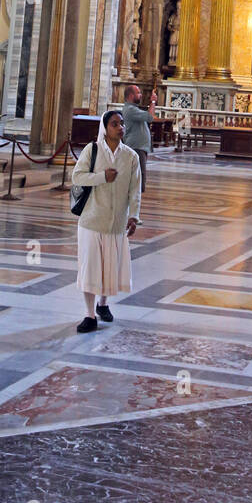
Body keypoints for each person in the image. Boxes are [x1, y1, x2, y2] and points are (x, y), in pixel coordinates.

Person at [71, 109, 141, 333]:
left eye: (122, 124)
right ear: (105, 128)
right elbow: (77, 177)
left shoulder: (131, 156)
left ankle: (103, 304)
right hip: (92, 220)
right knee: (91, 267)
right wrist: (102, 177)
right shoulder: (92, 150)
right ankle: (89, 314)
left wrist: (133, 216)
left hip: (116, 222)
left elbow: (135, 190)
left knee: (109, 267)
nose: (120, 128)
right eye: (115, 124)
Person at [122, 82, 155, 197]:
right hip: (136, 147)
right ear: (131, 96)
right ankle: (136, 200)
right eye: (138, 93)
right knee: (139, 174)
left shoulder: (133, 109)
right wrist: (153, 102)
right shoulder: (130, 109)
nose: (141, 95)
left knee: (139, 174)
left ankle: (136, 199)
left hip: (139, 146)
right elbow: (150, 117)